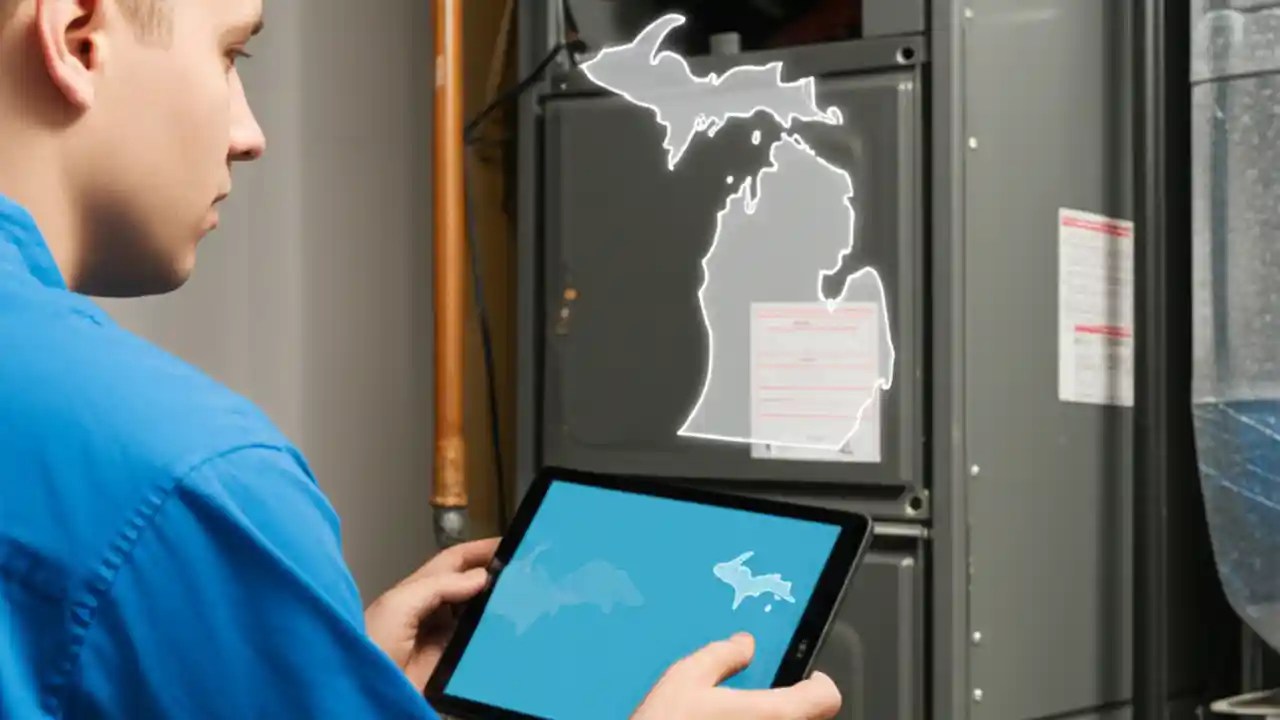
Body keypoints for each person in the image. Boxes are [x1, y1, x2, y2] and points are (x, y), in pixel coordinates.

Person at [0, 0, 845, 718]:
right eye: (230, 54)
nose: (248, 134)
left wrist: (326, 671)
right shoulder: (189, 477)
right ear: (80, 37)